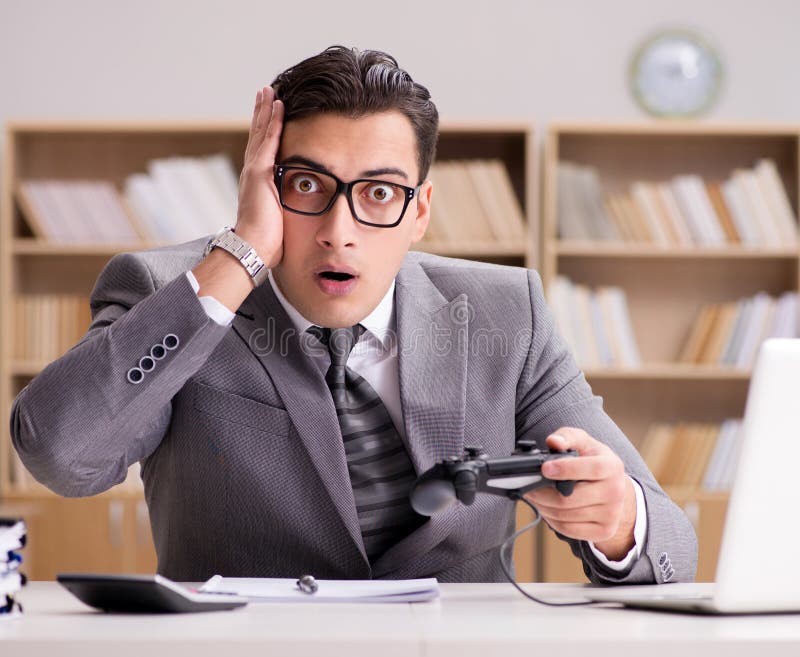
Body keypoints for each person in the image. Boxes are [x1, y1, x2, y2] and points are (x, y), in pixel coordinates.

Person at [10, 46, 697, 584]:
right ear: (263, 186)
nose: (340, 230)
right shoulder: (175, 294)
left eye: (377, 193)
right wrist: (240, 255)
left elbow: (673, 543)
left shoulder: (504, 314)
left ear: (420, 211)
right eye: (307, 185)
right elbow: (59, 454)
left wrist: (617, 521)